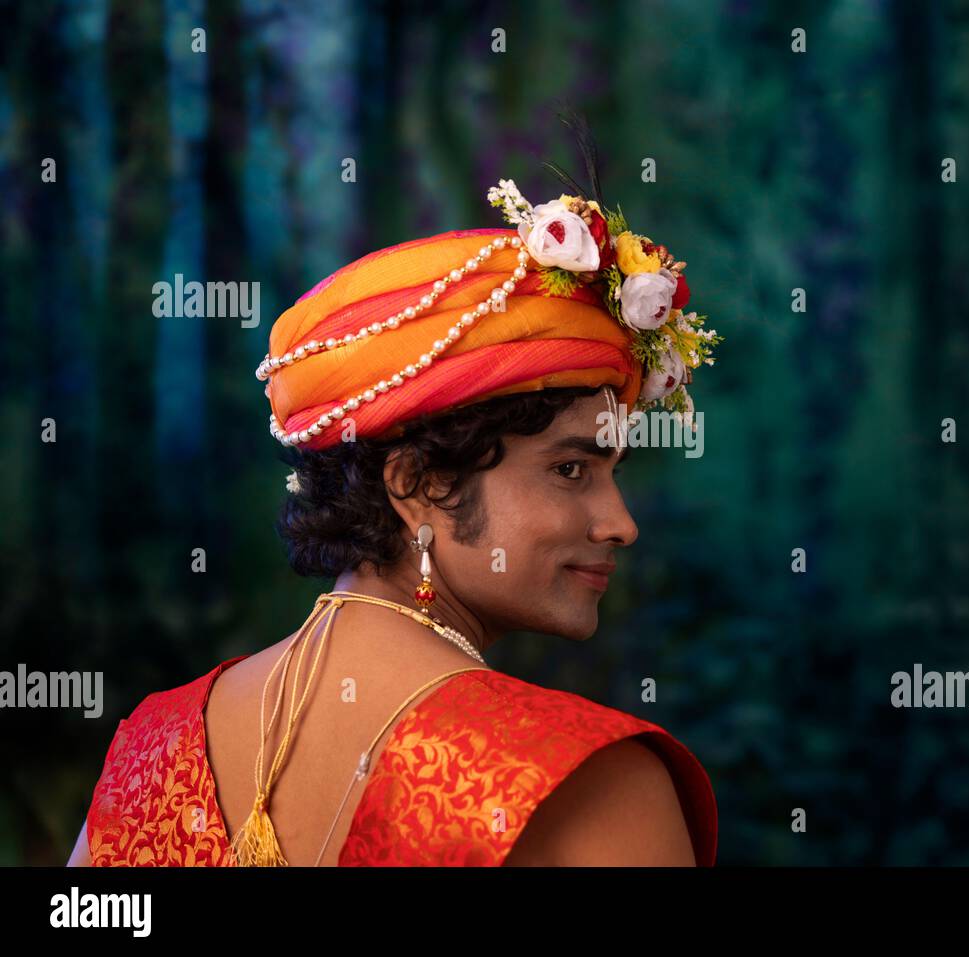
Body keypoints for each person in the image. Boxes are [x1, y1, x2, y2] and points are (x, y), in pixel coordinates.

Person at [66, 165, 722, 867]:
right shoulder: (596, 785)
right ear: (418, 484)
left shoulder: (152, 746)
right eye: (571, 469)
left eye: (610, 474)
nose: (620, 523)